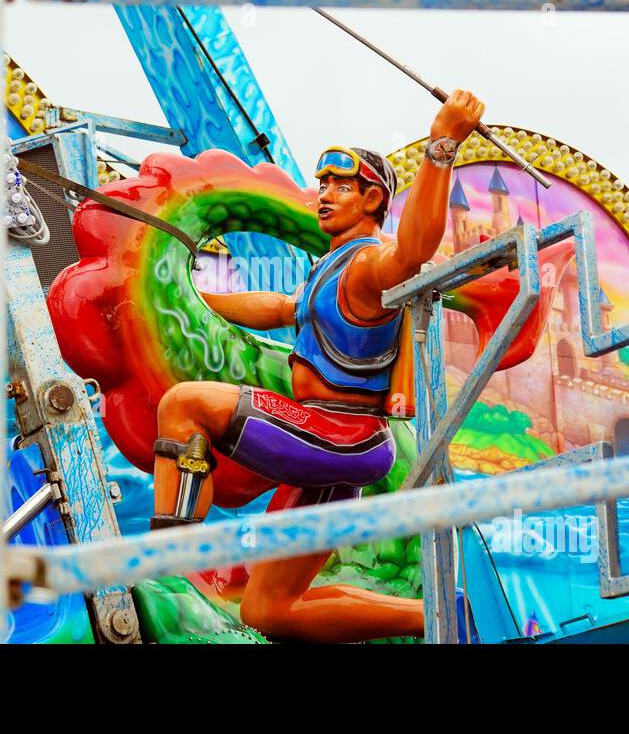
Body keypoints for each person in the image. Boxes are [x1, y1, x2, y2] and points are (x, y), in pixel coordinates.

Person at [149, 90, 485, 642]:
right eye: (322, 184)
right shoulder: (328, 270)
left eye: (340, 186)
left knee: (185, 405)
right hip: (334, 450)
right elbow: (277, 308)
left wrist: (443, 142)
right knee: (268, 613)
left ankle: (168, 564)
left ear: (373, 199)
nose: (323, 195)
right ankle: (445, 618)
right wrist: (191, 293)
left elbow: (413, 253)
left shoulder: (371, 264)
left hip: (338, 432)